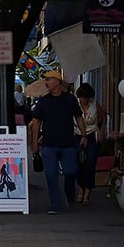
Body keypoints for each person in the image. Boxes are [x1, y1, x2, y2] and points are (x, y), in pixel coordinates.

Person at [31, 70, 87, 214]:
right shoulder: (43, 101)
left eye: (49, 80)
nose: (46, 83)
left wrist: (84, 135)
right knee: (51, 173)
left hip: (68, 143)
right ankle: (55, 204)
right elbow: (36, 122)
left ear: (57, 82)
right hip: (49, 144)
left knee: (71, 171)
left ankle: (70, 194)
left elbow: (79, 117)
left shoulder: (70, 99)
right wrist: (35, 142)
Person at [74, 83, 106, 206]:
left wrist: (102, 133)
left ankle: (87, 192)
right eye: (82, 97)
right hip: (77, 136)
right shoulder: (75, 105)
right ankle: (80, 188)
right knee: (79, 163)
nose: (84, 100)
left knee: (90, 163)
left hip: (91, 136)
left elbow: (103, 119)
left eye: (87, 97)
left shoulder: (95, 105)